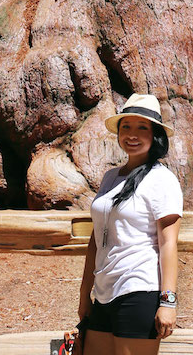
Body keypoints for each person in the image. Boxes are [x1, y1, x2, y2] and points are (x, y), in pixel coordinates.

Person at [76, 93, 182, 354]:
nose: (132, 135)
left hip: (139, 291)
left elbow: (168, 243)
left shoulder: (162, 179)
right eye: (126, 127)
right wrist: (84, 295)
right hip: (103, 293)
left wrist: (168, 302)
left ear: (155, 135)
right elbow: (96, 240)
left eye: (142, 128)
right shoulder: (110, 177)